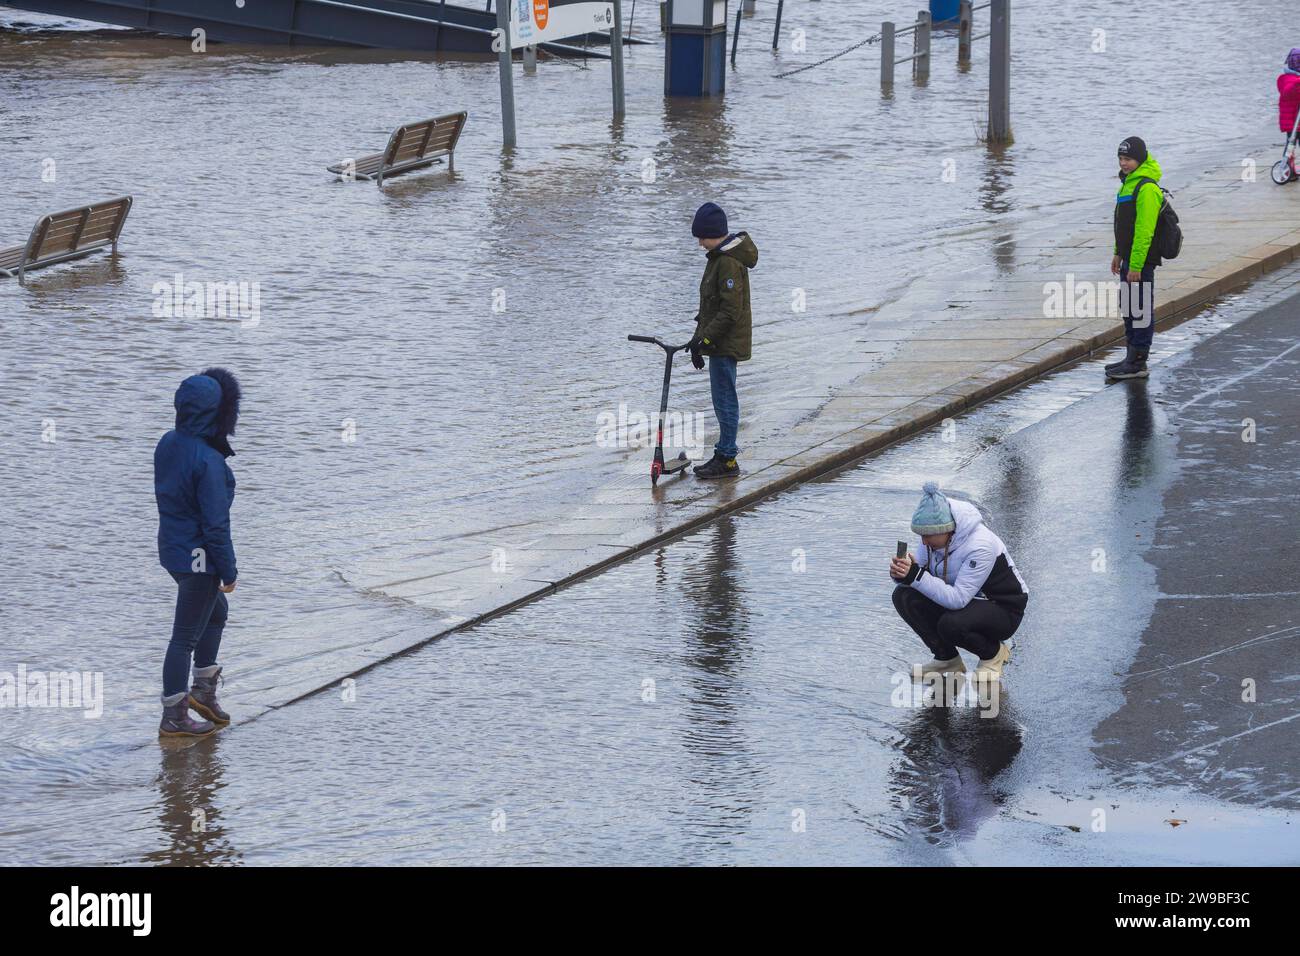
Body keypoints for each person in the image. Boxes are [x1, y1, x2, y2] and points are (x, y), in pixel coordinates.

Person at [154, 368, 241, 737]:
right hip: (199, 559)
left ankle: (203, 691)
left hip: (173, 551)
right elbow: (216, 525)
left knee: (216, 613)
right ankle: (175, 715)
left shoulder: (167, 442)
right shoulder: (209, 462)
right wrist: (230, 570)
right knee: (184, 638)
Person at [890, 483, 1028, 682]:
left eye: (928, 536)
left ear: (947, 530)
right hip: (969, 601)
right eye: (921, 536)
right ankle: (947, 659)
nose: (923, 542)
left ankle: (994, 654)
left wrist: (915, 575)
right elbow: (921, 575)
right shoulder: (934, 538)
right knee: (904, 595)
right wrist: (903, 573)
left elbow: (958, 599)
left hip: (1003, 608)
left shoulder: (980, 546)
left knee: (951, 625)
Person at [687, 202, 758, 479]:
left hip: (725, 344)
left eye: (701, 238)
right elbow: (710, 308)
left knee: (725, 399)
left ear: (714, 234)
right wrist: (697, 341)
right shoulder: (718, 259)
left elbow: (730, 311)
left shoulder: (727, 262)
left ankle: (727, 458)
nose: (700, 244)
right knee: (722, 398)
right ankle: (723, 452)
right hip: (717, 342)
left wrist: (704, 341)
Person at [1107, 136, 1165, 380]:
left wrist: (1137, 265)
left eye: (1128, 159)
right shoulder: (1128, 183)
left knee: (1139, 308)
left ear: (1140, 159)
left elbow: (1144, 230)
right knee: (1129, 306)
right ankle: (1131, 355)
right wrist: (1117, 253)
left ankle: (1139, 362)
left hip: (1140, 261)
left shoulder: (1147, 188)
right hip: (1129, 258)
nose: (1124, 163)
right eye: (1121, 159)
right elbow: (1122, 223)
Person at [1278, 49, 1300, 168]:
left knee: (1292, 143)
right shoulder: (1287, 79)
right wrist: (1298, 84)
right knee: (1291, 143)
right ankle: (1286, 165)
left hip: (1297, 119)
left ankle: (1289, 166)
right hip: (1293, 121)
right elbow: (1288, 92)